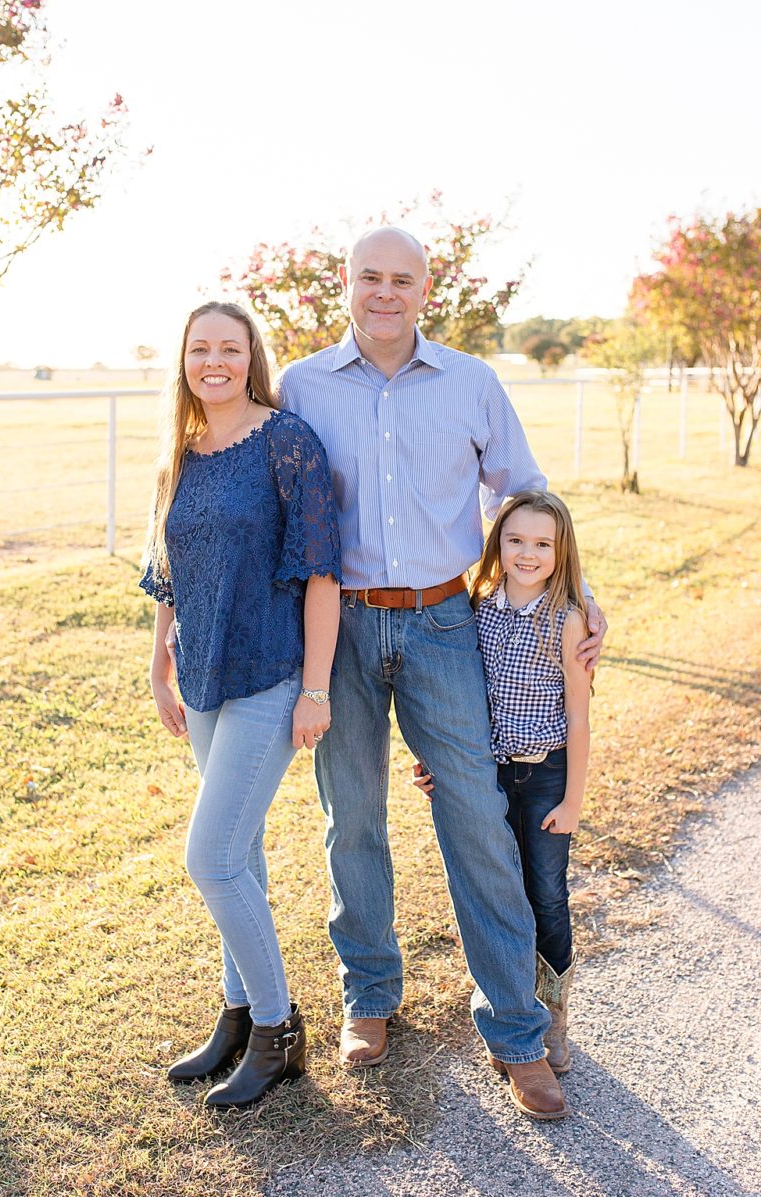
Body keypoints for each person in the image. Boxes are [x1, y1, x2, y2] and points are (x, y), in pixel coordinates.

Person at [277, 226, 607, 1120]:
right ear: (345, 285)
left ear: (427, 288)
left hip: (444, 618)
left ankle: (515, 1028)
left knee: (477, 817)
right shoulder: (303, 384)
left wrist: (578, 596)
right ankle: (370, 993)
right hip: (337, 625)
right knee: (352, 816)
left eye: (403, 279)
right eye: (370, 277)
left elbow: (526, 493)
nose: (386, 292)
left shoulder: (471, 382)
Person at [142, 301, 342, 1108]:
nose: (213, 361)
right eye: (200, 348)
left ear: (250, 356)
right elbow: (169, 565)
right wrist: (158, 658)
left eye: (230, 347)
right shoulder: (181, 452)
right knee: (243, 856)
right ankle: (234, 1018)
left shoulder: (287, 441)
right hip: (202, 675)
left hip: (271, 675)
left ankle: (278, 1029)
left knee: (212, 857)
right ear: (184, 359)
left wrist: (317, 687)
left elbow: (321, 571)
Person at [412, 490, 591, 1079]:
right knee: (498, 885)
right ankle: (511, 1007)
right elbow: (454, 697)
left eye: (542, 543)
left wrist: (572, 800)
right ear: (497, 544)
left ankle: (553, 1016)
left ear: (560, 551)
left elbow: (580, 716)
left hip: (546, 775)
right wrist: (442, 761)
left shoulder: (567, 620)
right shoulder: (478, 606)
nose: (528, 553)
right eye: (515, 540)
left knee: (545, 893)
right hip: (488, 771)